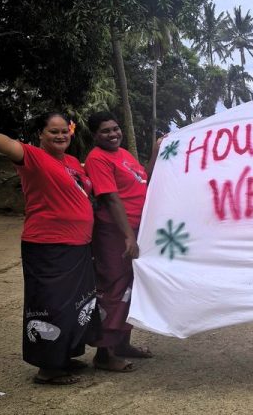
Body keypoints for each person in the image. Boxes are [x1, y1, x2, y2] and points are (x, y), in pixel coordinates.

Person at [0, 113, 98, 385]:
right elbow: (7, 143)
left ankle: (64, 355)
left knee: (74, 305)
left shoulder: (71, 162)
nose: (60, 136)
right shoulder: (32, 156)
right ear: (41, 135)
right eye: (53, 132)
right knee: (51, 305)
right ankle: (48, 368)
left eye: (64, 131)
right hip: (47, 245)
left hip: (78, 246)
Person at [85, 111, 159, 372]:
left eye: (115, 129)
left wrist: (155, 153)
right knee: (113, 288)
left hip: (137, 228)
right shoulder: (97, 159)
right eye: (105, 131)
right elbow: (111, 198)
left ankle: (123, 344)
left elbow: (144, 181)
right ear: (94, 135)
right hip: (114, 232)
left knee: (131, 287)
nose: (113, 134)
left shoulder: (124, 155)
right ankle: (104, 353)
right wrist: (129, 236)